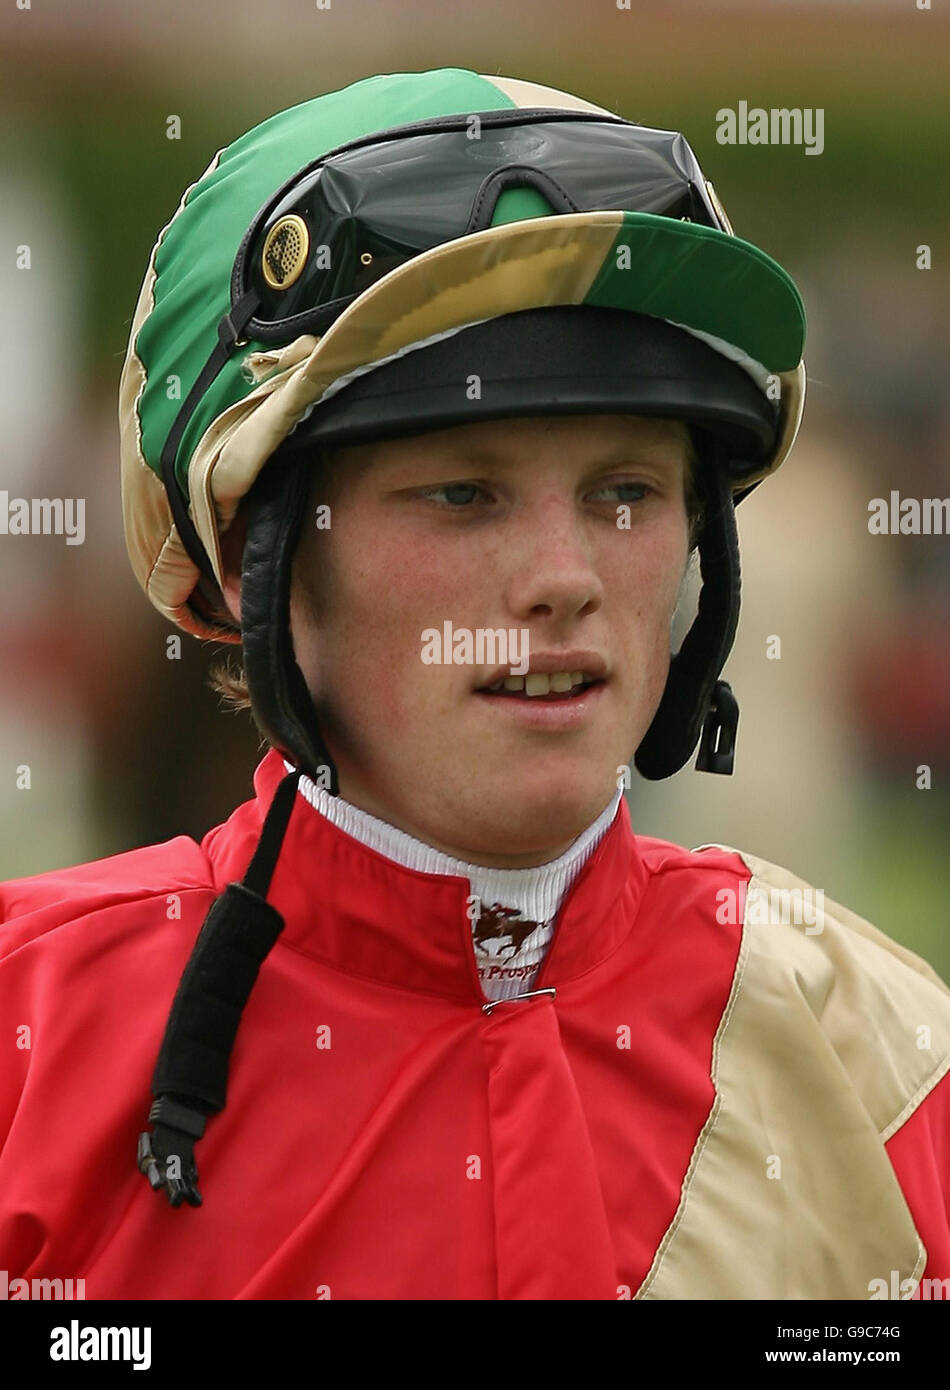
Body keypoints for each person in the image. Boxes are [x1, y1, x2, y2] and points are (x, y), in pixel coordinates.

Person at [1, 67, 948, 1302]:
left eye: (625, 493)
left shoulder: (884, 1053)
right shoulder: (29, 1041)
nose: (564, 578)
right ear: (250, 558)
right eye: (462, 494)